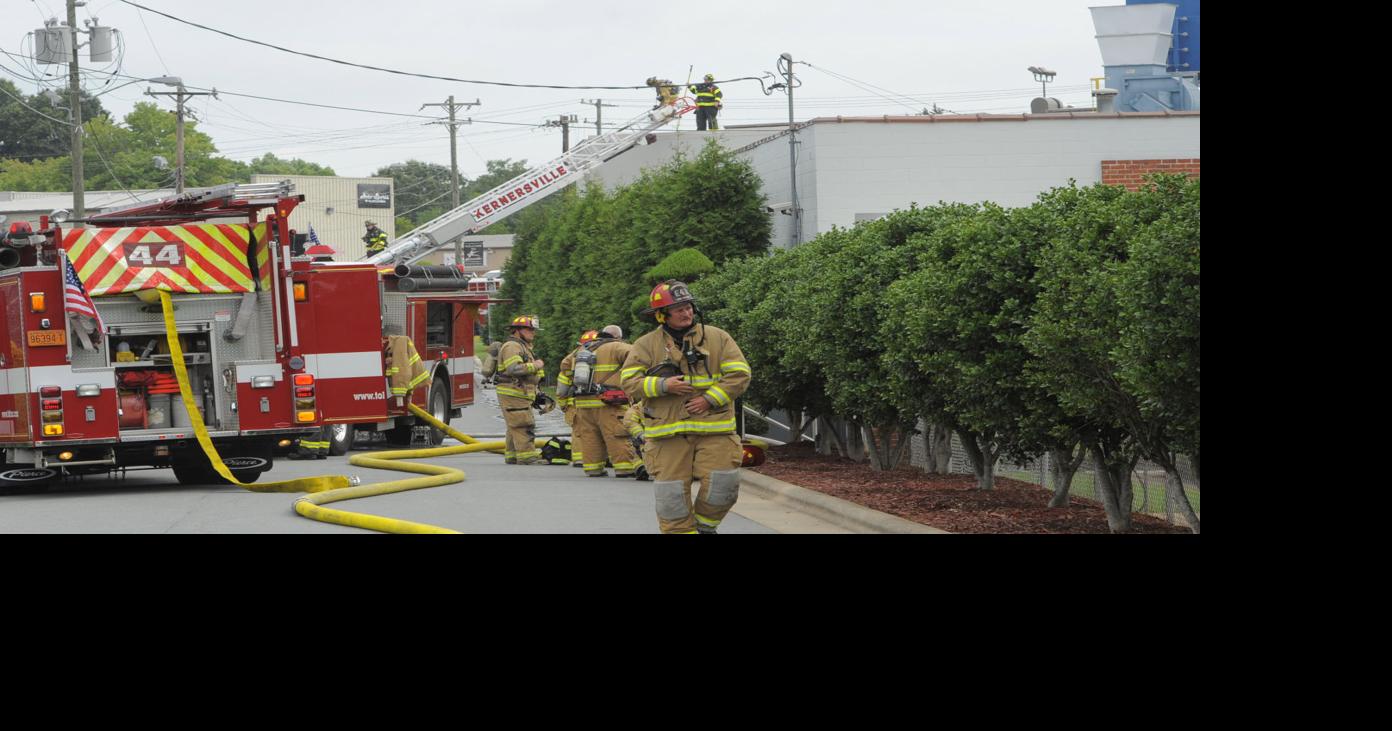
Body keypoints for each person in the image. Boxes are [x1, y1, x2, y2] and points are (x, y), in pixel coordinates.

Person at [621, 280, 751, 534]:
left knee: (724, 486)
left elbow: (740, 374)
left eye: (688, 306)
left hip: (715, 428)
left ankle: (703, 528)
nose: (686, 312)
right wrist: (663, 386)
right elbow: (628, 382)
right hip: (666, 434)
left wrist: (709, 399)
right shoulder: (646, 345)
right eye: (678, 308)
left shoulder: (718, 338)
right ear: (662, 315)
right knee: (672, 499)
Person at [560, 325, 641, 478]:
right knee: (617, 434)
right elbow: (640, 356)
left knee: (590, 436)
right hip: (609, 402)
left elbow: (565, 366)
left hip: (583, 403)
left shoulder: (582, 350)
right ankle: (624, 468)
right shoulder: (618, 346)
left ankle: (593, 468)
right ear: (617, 337)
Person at [496, 315, 546, 465]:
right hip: (513, 392)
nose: (533, 333)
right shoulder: (512, 346)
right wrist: (536, 365)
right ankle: (527, 456)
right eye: (529, 329)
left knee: (515, 423)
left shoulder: (522, 346)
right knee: (523, 423)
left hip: (520, 392)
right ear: (517, 331)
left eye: (533, 330)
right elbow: (513, 369)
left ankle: (512, 455)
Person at [557, 330, 600, 468]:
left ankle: (580, 458)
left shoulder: (571, 360)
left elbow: (562, 389)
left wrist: (563, 405)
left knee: (579, 432)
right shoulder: (604, 356)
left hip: (575, 403)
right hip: (600, 401)